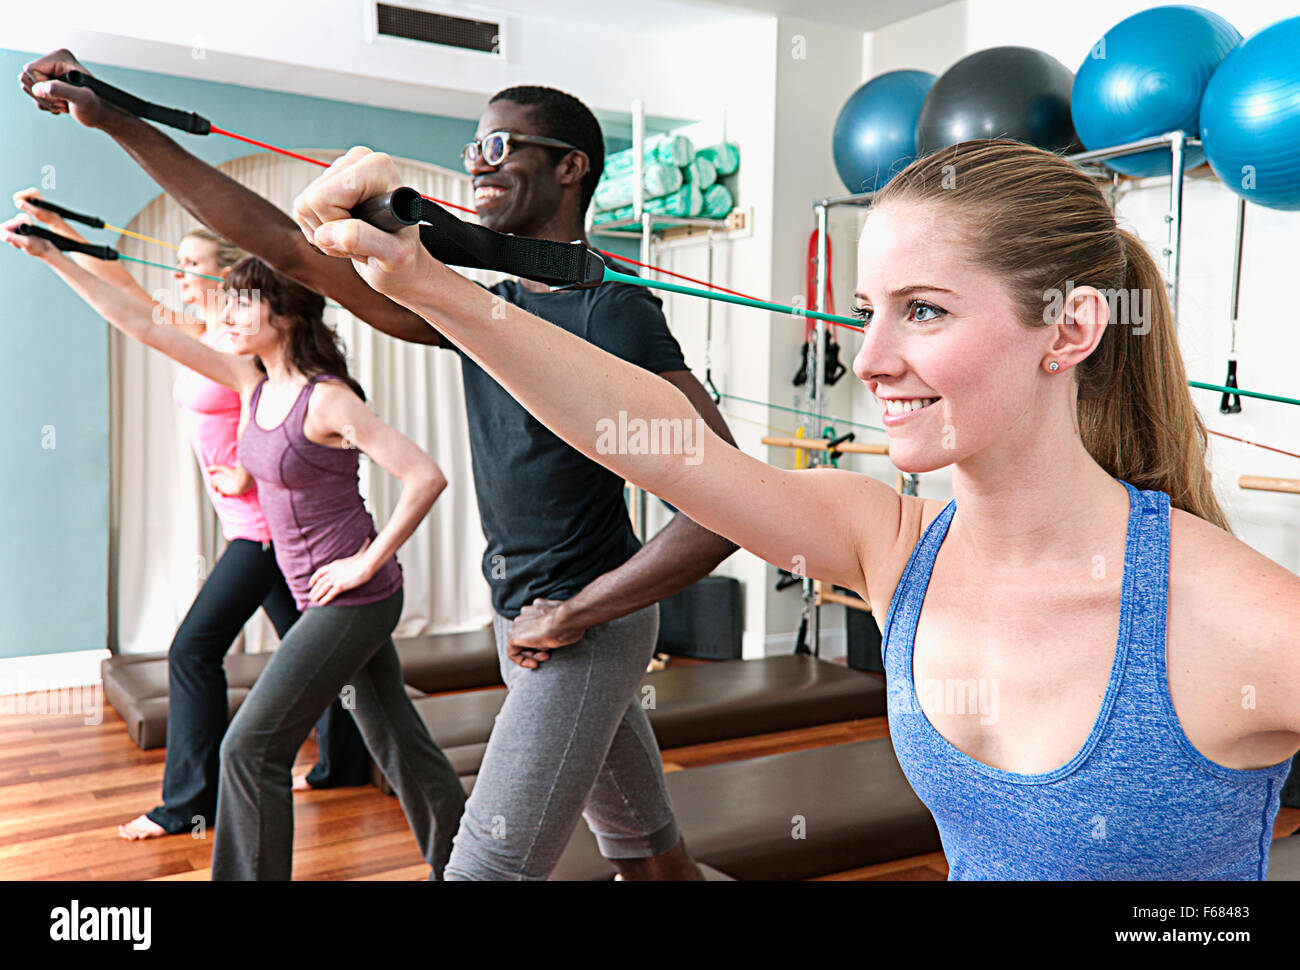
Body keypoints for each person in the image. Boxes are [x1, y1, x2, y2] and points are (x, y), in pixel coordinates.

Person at [291, 138, 1300, 880]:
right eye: (868, 313)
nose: (869, 360)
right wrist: (431, 281)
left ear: (1071, 327)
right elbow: (659, 441)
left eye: (925, 310)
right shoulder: (893, 546)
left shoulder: (1241, 619)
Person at [22, 50, 739, 880]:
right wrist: (117, 120)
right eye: (473, 150)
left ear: (571, 167)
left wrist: (576, 612)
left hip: (581, 630)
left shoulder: (614, 311)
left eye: (500, 147)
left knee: (484, 868)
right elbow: (287, 249)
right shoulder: (484, 308)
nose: (478, 164)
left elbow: (726, 504)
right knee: (649, 855)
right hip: (525, 617)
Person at [3, 219, 466, 880]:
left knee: (250, 749)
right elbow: (144, 325)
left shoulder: (328, 399)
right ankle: (469, 866)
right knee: (397, 738)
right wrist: (56, 256)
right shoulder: (251, 383)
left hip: (356, 598)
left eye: (246, 299)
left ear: (283, 313)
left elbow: (425, 474)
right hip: (315, 590)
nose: (230, 310)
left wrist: (369, 559)